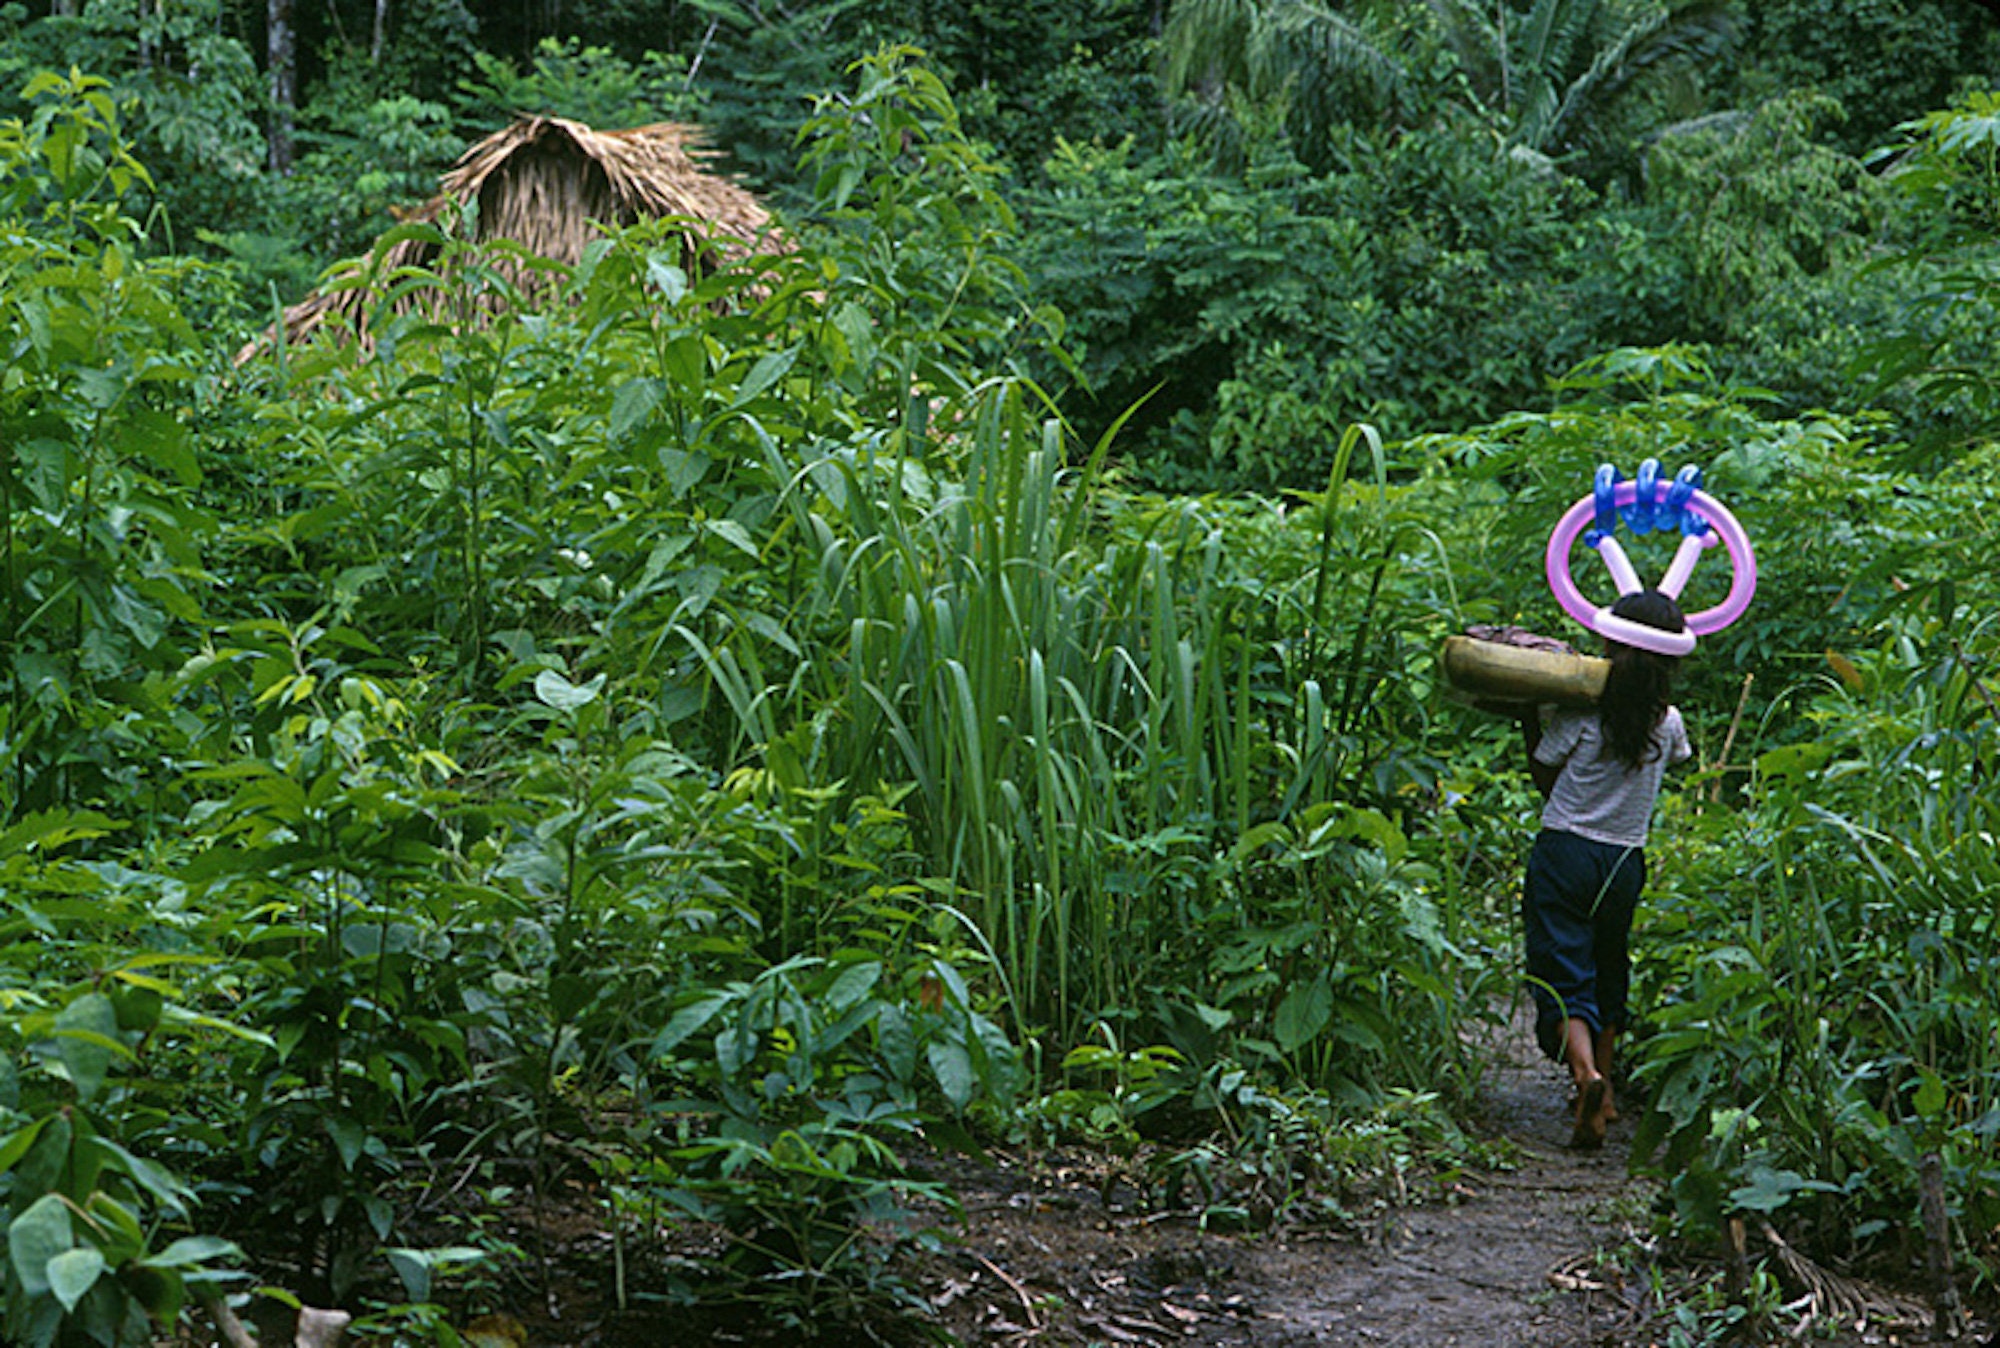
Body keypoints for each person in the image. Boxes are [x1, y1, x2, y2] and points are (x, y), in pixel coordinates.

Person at [1517, 589, 1692, 1149]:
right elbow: (1680, 761)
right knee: (1608, 961)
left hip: (1566, 850)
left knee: (1562, 963)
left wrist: (1528, 720)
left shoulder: (1581, 711)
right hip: (1624, 860)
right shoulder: (1668, 723)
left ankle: (1584, 1074)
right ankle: (1607, 1092)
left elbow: (1546, 774)